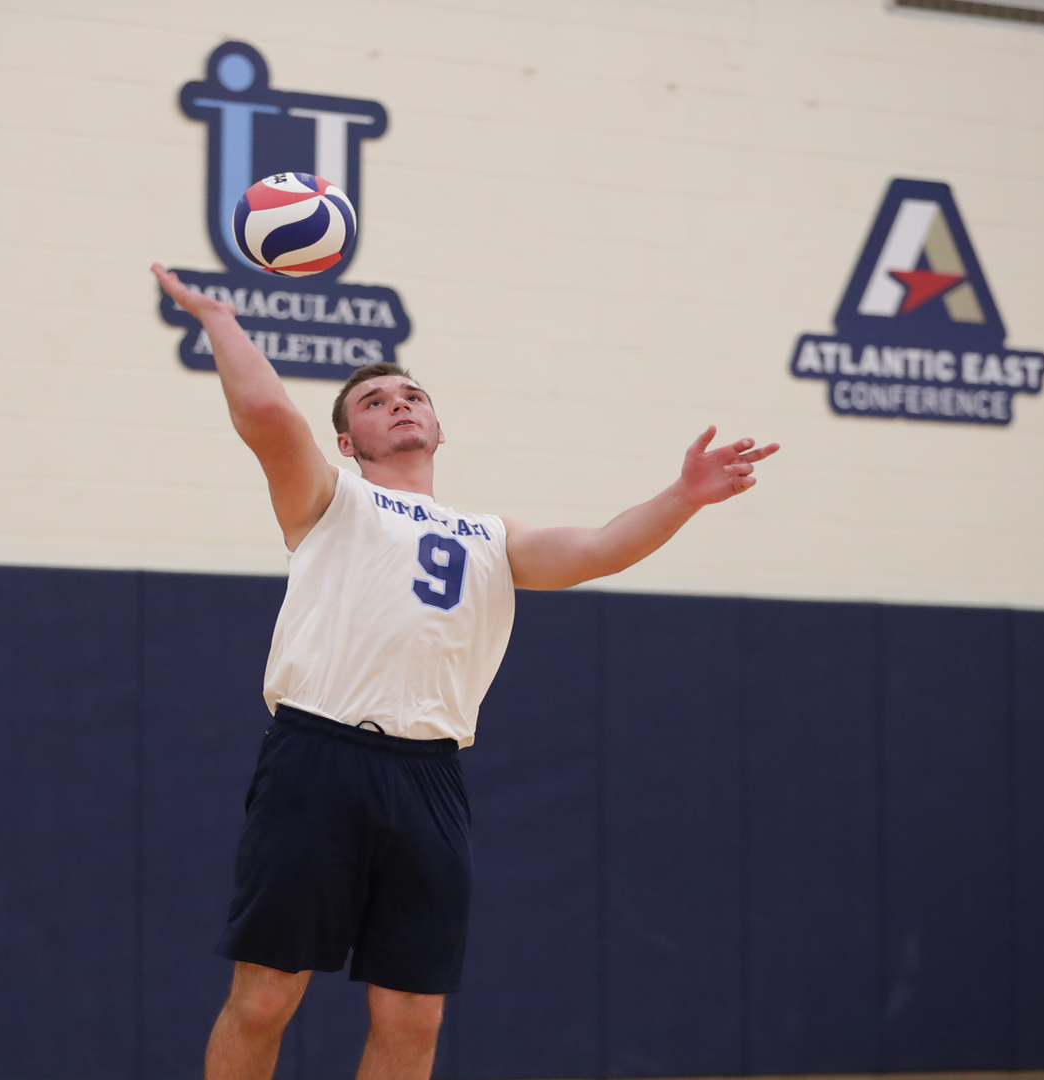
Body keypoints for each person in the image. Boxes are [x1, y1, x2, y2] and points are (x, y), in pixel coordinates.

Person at [151, 264, 779, 1080]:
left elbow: (598, 549)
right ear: (349, 442)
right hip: (318, 759)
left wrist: (682, 496)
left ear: (439, 426)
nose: (399, 405)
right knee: (266, 998)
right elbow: (268, 412)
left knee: (412, 1018)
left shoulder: (491, 535)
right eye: (374, 403)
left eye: (411, 395)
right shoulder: (330, 498)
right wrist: (219, 319)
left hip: (429, 778)